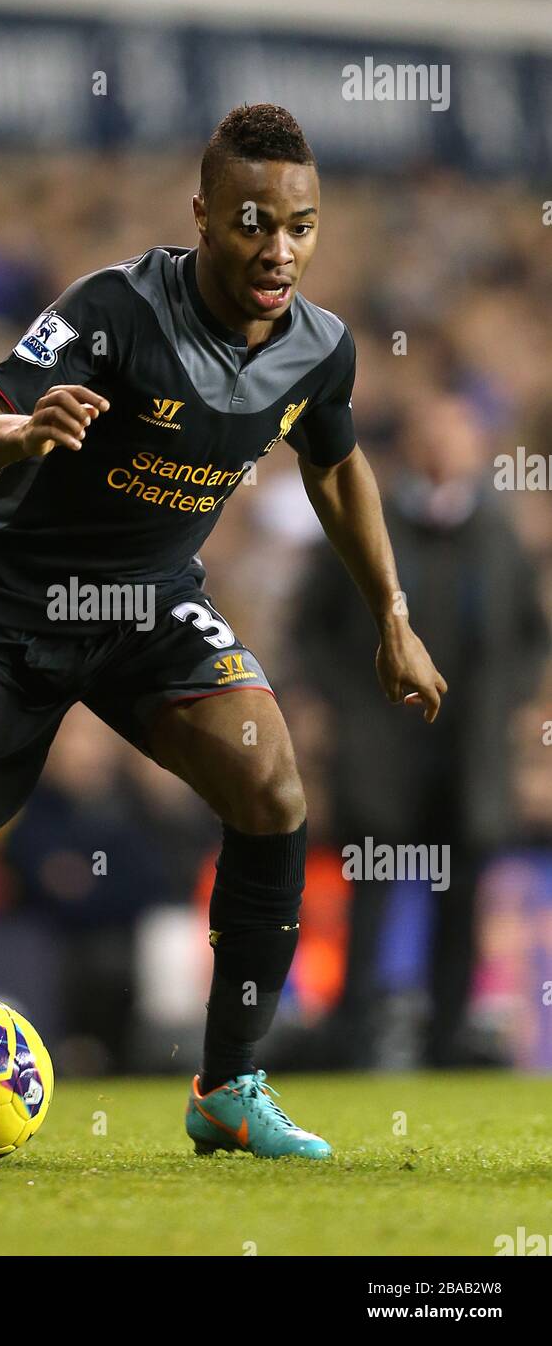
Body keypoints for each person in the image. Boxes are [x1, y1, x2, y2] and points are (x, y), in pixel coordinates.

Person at [0, 104, 446, 1162]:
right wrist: (23, 428)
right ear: (201, 214)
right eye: (252, 223)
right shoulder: (114, 309)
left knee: (272, 787)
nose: (277, 249)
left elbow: (333, 465)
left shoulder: (316, 350)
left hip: (143, 602)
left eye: (300, 226)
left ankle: (228, 1085)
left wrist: (391, 615)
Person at [292, 395, 549, 1067]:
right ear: (407, 445)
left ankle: (448, 1037)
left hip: (468, 749)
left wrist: (510, 703)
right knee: (372, 888)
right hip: (382, 743)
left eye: (456, 435)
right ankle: (353, 1036)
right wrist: (339, 703)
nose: (442, 449)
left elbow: (529, 636)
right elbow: (309, 629)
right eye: (429, 434)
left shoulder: (498, 535)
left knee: (460, 893)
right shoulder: (362, 525)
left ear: (475, 447)